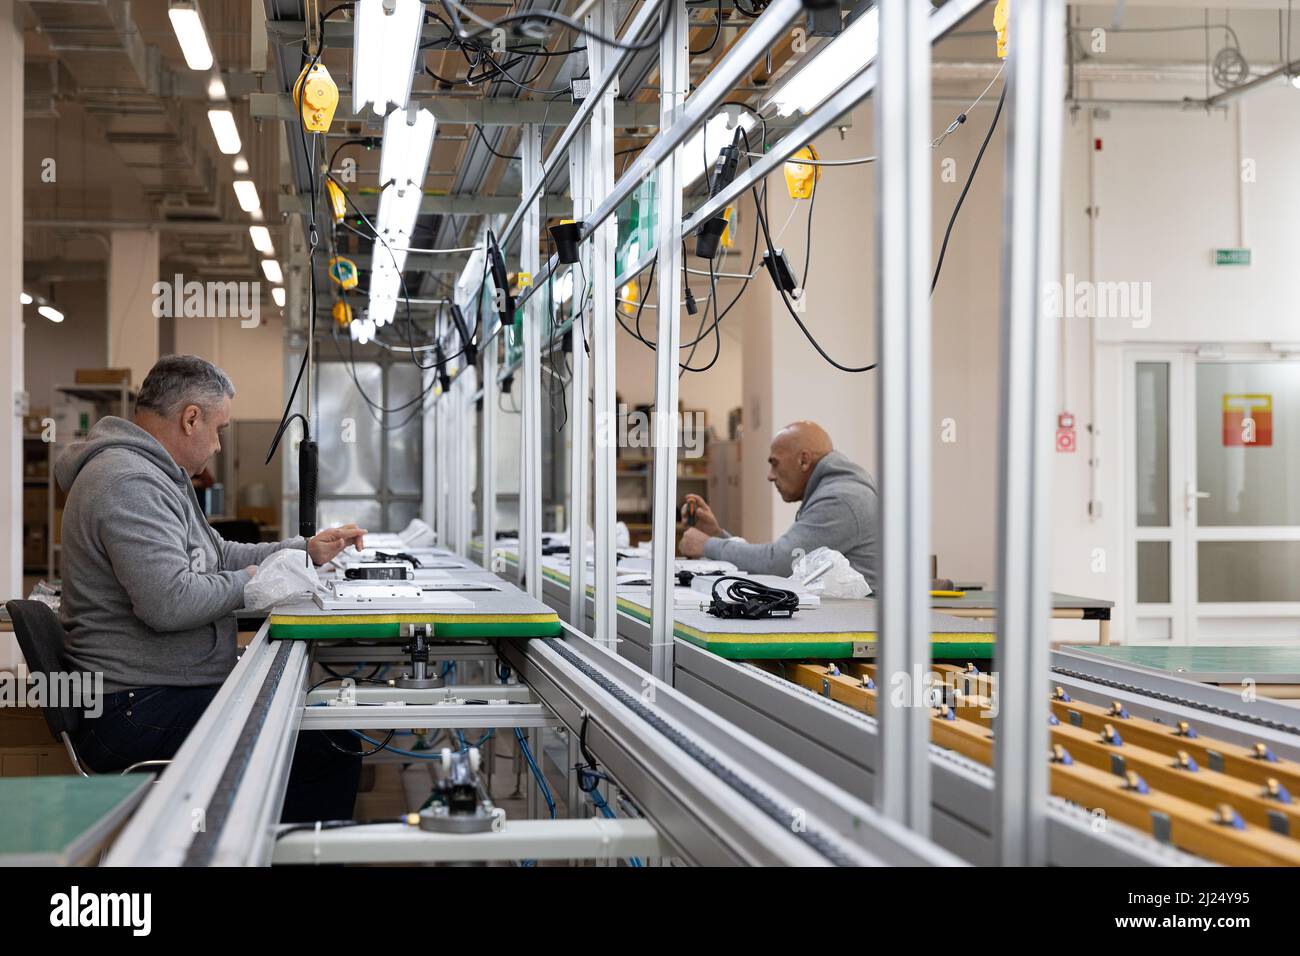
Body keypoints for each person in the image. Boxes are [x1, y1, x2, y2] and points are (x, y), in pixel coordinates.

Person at [56, 354, 367, 822]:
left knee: (314, 722)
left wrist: (305, 551)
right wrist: (252, 584)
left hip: (156, 691)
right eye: (219, 429)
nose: (219, 446)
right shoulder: (128, 481)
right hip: (131, 711)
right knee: (331, 745)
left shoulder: (161, 475)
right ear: (190, 418)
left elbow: (216, 555)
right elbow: (169, 602)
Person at [678, 421, 880, 590]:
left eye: (775, 463)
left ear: (804, 460)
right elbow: (779, 559)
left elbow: (778, 564)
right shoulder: (838, 489)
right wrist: (716, 535)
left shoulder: (842, 499)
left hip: (856, 624)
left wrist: (707, 545)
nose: (770, 475)